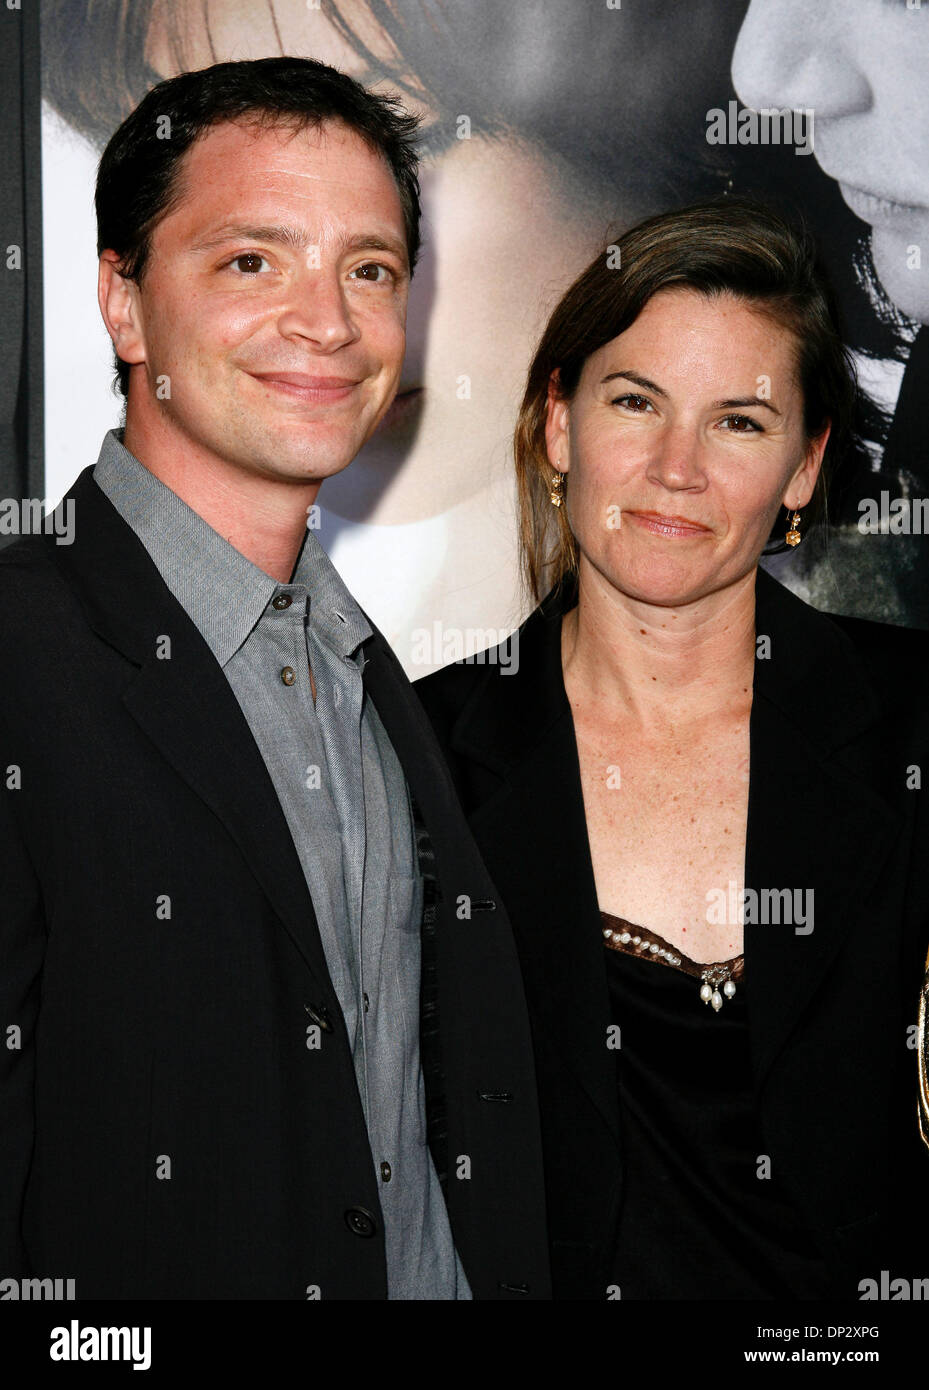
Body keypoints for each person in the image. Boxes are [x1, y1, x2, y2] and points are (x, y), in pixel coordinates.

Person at [0, 55, 549, 1300]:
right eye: (253, 260)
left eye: (369, 269)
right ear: (123, 303)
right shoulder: (24, 651)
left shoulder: (369, 678)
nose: (329, 321)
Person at [416, 199, 929, 1300]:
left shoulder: (910, 729)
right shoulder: (419, 757)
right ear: (557, 427)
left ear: (802, 469)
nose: (673, 467)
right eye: (633, 400)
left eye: (738, 421)